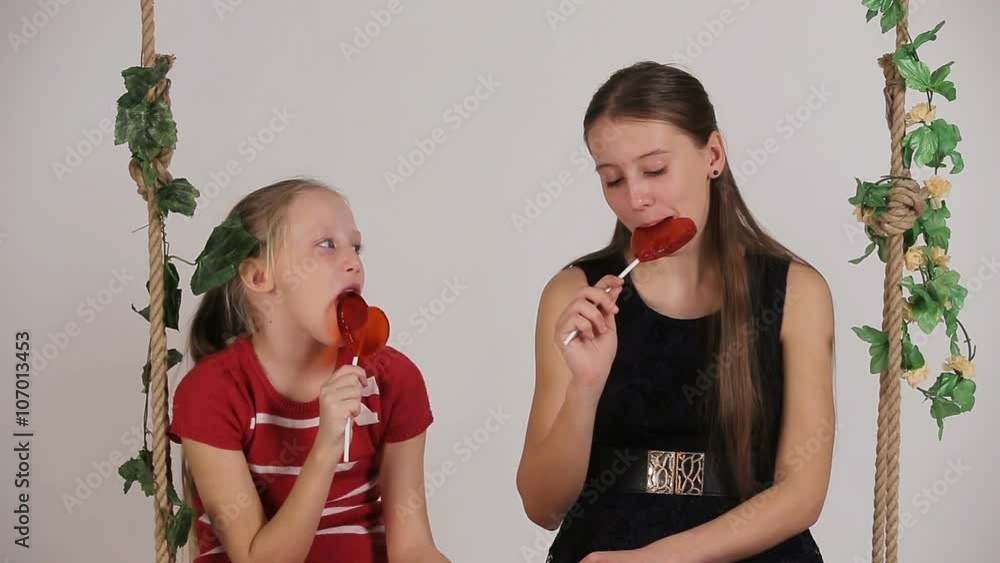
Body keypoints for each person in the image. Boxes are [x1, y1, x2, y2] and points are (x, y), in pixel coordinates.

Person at [516, 61, 835, 562]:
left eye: (655, 169)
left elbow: (802, 494)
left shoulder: (798, 292)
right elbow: (542, 505)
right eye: (612, 180)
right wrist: (585, 388)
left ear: (713, 154)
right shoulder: (572, 294)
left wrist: (653, 560)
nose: (636, 198)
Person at [168, 178, 449, 563]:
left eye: (356, 246)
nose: (353, 261)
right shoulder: (212, 393)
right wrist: (327, 442)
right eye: (326, 245)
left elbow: (414, 548)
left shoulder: (393, 379)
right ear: (258, 277)